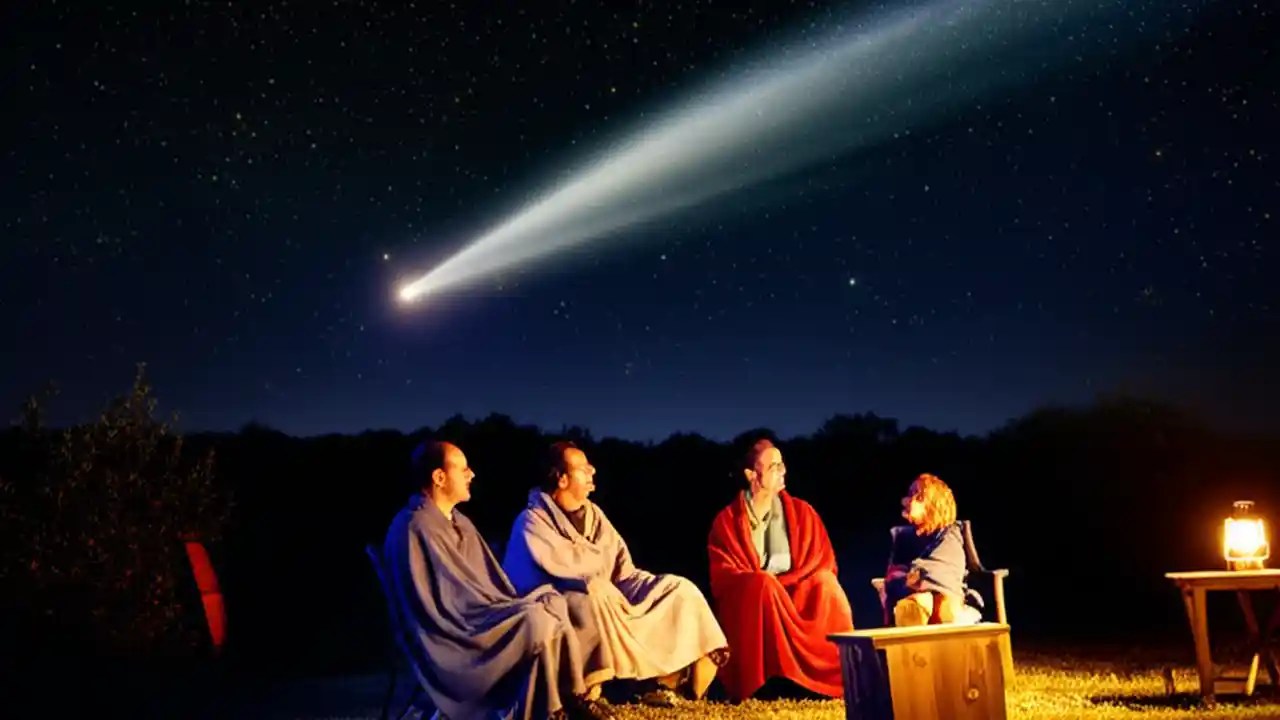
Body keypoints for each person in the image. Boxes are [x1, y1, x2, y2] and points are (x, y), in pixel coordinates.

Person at [382, 440, 614, 720]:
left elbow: (490, 583)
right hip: (454, 633)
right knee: (536, 620)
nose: (471, 474)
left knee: (554, 602)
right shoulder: (413, 527)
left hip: (479, 614)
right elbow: (433, 603)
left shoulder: (461, 523)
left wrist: (510, 605)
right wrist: (498, 612)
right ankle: (547, 710)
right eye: (463, 469)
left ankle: (571, 696)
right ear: (439, 477)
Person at [503, 441, 729, 706]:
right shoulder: (532, 522)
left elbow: (622, 571)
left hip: (613, 596)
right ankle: (592, 691)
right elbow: (551, 578)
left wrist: (654, 585)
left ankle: (673, 683)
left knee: (678, 589)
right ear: (562, 479)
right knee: (595, 596)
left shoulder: (594, 516)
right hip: (567, 605)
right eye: (583, 468)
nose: (592, 471)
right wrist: (596, 584)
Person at [706, 437, 854, 701]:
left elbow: (823, 560)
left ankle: (832, 678)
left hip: (796, 592)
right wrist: (761, 582)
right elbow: (723, 577)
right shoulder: (727, 521)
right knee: (763, 584)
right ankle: (772, 681)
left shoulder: (802, 513)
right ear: (751, 475)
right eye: (774, 466)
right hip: (758, 599)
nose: (782, 471)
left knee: (827, 584)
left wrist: (790, 584)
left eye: (782, 464)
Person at [884, 473, 981, 626]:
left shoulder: (950, 534)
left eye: (919, 497)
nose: (910, 502)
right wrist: (908, 579)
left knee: (938, 605)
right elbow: (893, 578)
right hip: (910, 600)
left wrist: (914, 576)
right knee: (913, 605)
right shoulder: (904, 538)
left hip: (946, 600)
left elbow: (944, 573)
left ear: (935, 506)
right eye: (910, 496)